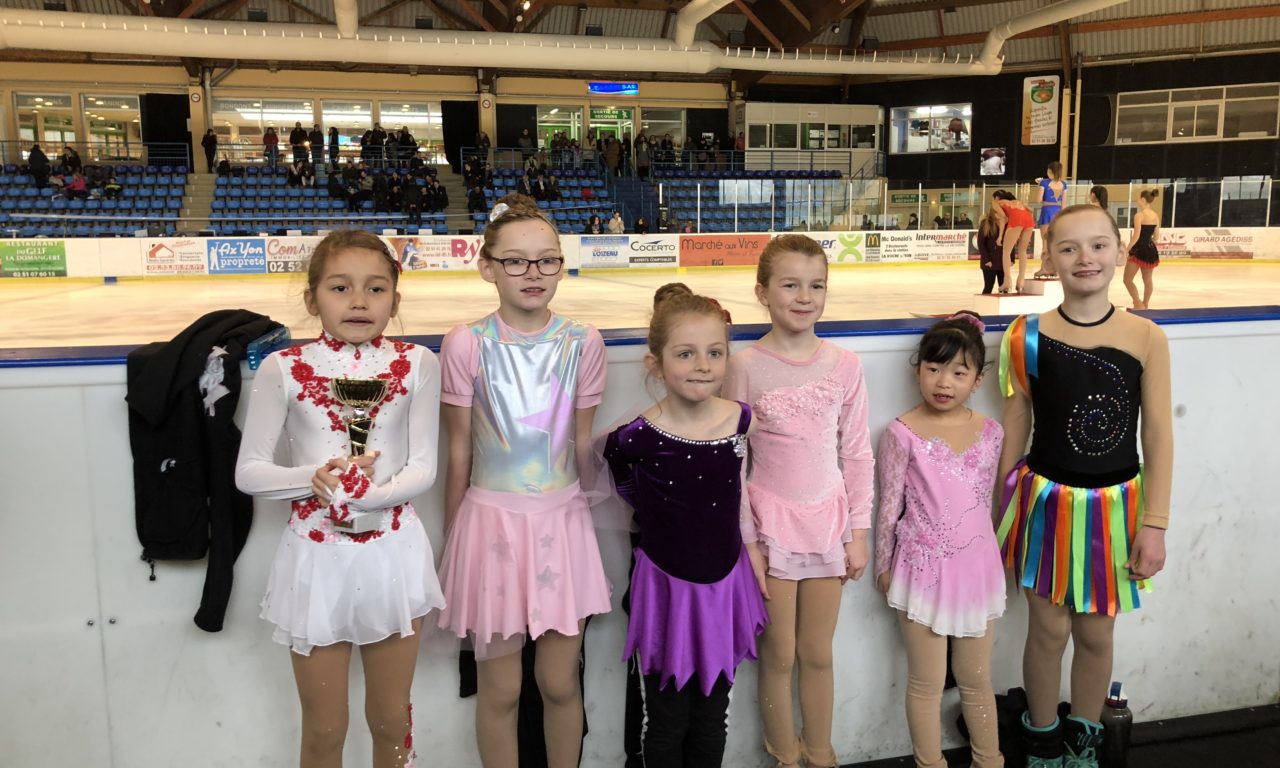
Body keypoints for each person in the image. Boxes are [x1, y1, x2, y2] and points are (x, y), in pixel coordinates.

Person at [235, 230, 445, 768]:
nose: (358, 301)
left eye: (376, 289)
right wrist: (317, 477)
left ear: (395, 301)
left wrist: (374, 495)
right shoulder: (281, 368)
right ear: (312, 299)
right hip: (316, 557)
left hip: (393, 554)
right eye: (340, 287)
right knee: (325, 729)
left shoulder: (418, 362)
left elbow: (424, 464)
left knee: (392, 720)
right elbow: (250, 473)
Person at [436, 194, 611, 768]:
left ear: (562, 264)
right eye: (515, 261)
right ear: (487, 267)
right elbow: (459, 445)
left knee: (560, 683)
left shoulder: (582, 342)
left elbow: (580, 444)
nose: (532, 274)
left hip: (561, 523)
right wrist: (453, 535)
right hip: (489, 529)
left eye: (546, 260)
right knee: (502, 689)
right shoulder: (467, 342)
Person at [997, 204, 1172, 768]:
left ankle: (1085, 742)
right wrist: (994, 509)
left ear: (1121, 252)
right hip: (1045, 504)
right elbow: (1015, 424)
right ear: (1048, 256)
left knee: (1096, 634)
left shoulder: (1146, 336)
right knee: (1046, 631)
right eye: (1068, 247)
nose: (1085, 258)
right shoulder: (1025, 335)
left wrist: (1155, 524)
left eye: (1098, 245)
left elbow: (1160, 437)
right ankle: (1042, 741)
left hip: (1116, 510)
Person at [722, 235, 873, 768]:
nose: (804, 296)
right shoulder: (743, 366)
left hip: (829, 524)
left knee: (817, 652)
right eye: (790, 285)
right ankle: (784, 754)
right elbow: (733, 464)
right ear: (763, 292)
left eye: (816, 285)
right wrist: (749, 541)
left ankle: (821, 752)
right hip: (771, 528)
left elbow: (856, 453)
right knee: (779, 652)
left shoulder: (846, 364)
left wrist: (858, 531)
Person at [605, 283, 768, 767]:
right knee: (667, 716)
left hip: (724, 586)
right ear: (655, 363)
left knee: (712, 715)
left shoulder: (741, 420)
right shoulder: (634, 437)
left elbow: (739, 488)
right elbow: (624, 487)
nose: (702, 365)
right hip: (665, 591)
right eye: (686, 354)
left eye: (715, 353)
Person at [875, 312, 1006, 768]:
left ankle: (989, 760)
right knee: (926, 682)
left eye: (959, 371)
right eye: (933, 368)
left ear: (978, 378)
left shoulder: (992, 432)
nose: (944, 381)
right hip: (920, 569)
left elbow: (986, 500)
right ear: (918, 370)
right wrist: (883, 564)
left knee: (976, 678)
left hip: (976, 569)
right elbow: (888, 504)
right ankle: (929, 763)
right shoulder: (900, 432)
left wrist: (993, 559)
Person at [1124, 189, 1162, 310]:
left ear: (1143, 200)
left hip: (1138, 251)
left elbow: (1136, 236)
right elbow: (1156, 237)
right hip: (1150, 250)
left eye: (1138, 199)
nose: (1137, 201)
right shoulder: (1155, 216)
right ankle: (1145, 304)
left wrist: (1127, 249)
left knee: (1127, 279)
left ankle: (1137, 303)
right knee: (1147, 279)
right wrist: (1148, 243)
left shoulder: (1139, 215)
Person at [991, 190, 1034, 294]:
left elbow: (1003, 217)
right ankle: (1021, 281)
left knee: (1006, 251)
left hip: (1016, 220)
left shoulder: (997, 203)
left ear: (997, 198)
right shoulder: (1018, 202)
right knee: (1022, 251)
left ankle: (1007, 281)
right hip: (1029, 220)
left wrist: (1000, 236)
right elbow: (1031, 210)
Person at [1035, 162, 1068, 278]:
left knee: (1045, 243)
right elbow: (1064, 204)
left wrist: (1039, 187)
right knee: (1055, 243)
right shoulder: (1064, 184)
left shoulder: (1044, 183)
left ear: (1050, 171)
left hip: (1047, 213)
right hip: (1058, 214)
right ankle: (1055, 269)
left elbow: (1038, 200)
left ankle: (1044, 268)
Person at [976, 206, 1005, 295]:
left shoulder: (1006, 224)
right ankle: (983, 307)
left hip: (1003, 262)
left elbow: (1009, 243)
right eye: (997, 212)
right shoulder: (986, 224)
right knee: (988, 286)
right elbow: (981, 243)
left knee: (1004, 287)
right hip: (989, 263)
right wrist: (986, 259)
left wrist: (1011, 258)